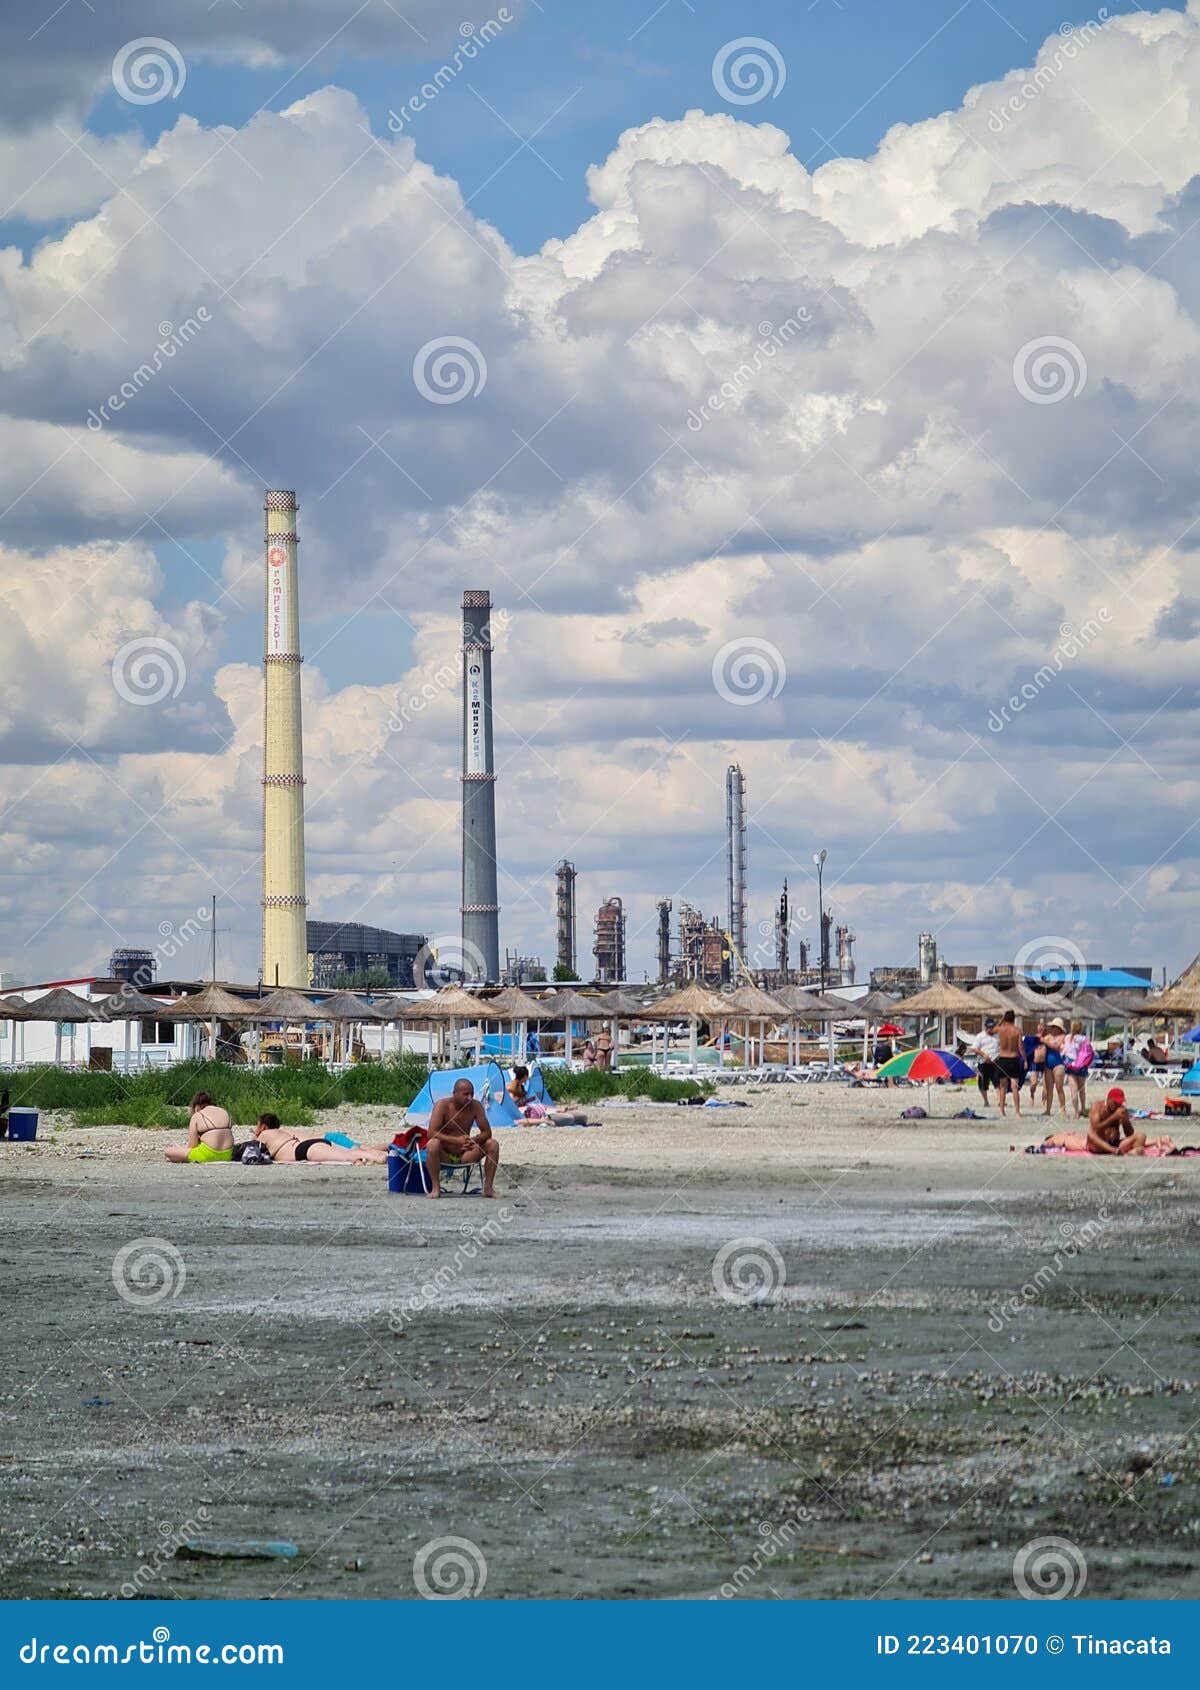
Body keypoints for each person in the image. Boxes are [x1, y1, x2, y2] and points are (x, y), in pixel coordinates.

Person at [426, 1077, 500, 1198]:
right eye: (466, 1094)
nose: (469, 1098)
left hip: (465, 1153)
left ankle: (488, 1188)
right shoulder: (442, 1105)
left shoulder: (476, 1106)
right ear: (454, 1094)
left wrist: (474, 1140)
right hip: (445, 1154)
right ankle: (435, 1187)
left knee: (493, 1144)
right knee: (432, 1144)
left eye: (472, 1094)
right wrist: (456, 1140)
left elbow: (487, 1132)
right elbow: (431, 1133)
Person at [1042, 1088, 1173, 1156]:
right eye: (1115, 1103)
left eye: (1120, 1103)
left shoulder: (1121, 1109)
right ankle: (1115, 1151)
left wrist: (1125, 1121)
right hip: (1099, 1145)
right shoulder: (1097, 1107)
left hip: (1115, 1143)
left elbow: (1129, 1134)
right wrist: (1114, 1117)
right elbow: (1095, 1127)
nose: (1117, 1105)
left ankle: (1134, 1152)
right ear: (1108, 1099)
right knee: (1091, 1136)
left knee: (1141, 1136)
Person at [251, 1114, 389, 1164]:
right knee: (352, 1152)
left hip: (304, 1150)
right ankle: (383, 1154)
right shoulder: (281, 1133)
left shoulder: (264, 1136)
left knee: (350, 1155)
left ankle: (381, 1156)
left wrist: (255, 1136)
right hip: (315, 1143)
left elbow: (250, 1151)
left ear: (263, 1127)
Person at [164, 1092, 235, 1164]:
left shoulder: (197, 1115)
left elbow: (193, 1146)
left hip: (207, 1155)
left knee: (168, 1151)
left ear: (197, 1107)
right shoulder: (223, 1111)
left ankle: (179, 1158)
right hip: (227, 1155)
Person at [961, 1019, 999, 1105]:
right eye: (989, 1027)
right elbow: (974, 1048)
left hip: (995, 1062)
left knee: (997, 1082)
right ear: (986, 1027)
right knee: (983, 1083)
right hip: (983, 1062)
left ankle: (999, 1101)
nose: (991, 1029)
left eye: (992, 1027)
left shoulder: (997, 1036)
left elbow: (1000, 1048)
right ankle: (986, 1101)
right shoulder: (980, 1036)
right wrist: (983, 1055)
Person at [1062, 1018, 1094, 1119]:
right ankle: (1083, 1110)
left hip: (1070, 1064)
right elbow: (1089, 1052)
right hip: (1081, 1065)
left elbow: (1064, 1051)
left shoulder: (1067, 1038)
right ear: (1080, 1028)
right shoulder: (1084, 1039)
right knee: (1082, 1089)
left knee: (1073, 1090)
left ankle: (1076, 1112)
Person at [994, 1010, 1023, 1118]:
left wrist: (1002, 1019)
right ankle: (1017, 1112)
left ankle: (1002, 1110)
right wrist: (1024, 1058)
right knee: (1014, 1086)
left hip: (1002, 1059)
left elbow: (993, 1029)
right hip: (1013, 1058)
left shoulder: (1000, 1029)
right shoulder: (1017, 1030)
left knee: (1002, 1087)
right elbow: (1020, 1046)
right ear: (1014, 1019)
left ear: (1005, 1019)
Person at [1042, 1019, 1068, 1118]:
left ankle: (1063, 1109)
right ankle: (1048, 1110)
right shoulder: (1048, 1036)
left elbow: (1055, 1046)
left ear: (1058, 1028)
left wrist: (1044, 1040)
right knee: (1049, 1088)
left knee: (1059, 1087)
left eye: (1054, 1027)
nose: (1052, 1029)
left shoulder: (1062, 1037)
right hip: (1048, 1064)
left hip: (1058, 1064)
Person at [1023, 1020, 1048, 1107]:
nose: (1041, 1027)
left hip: (1045, 1063)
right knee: (1033, 1083)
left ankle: (1044, 1101)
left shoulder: (1047, 1038)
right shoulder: (1033, 1038)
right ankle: (1032, 1095)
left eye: (1043, 1026)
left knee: (1046, 1084)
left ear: (1045, 1028)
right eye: (1039, 1025)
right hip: (1035, 1062)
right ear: (1037, 1027)